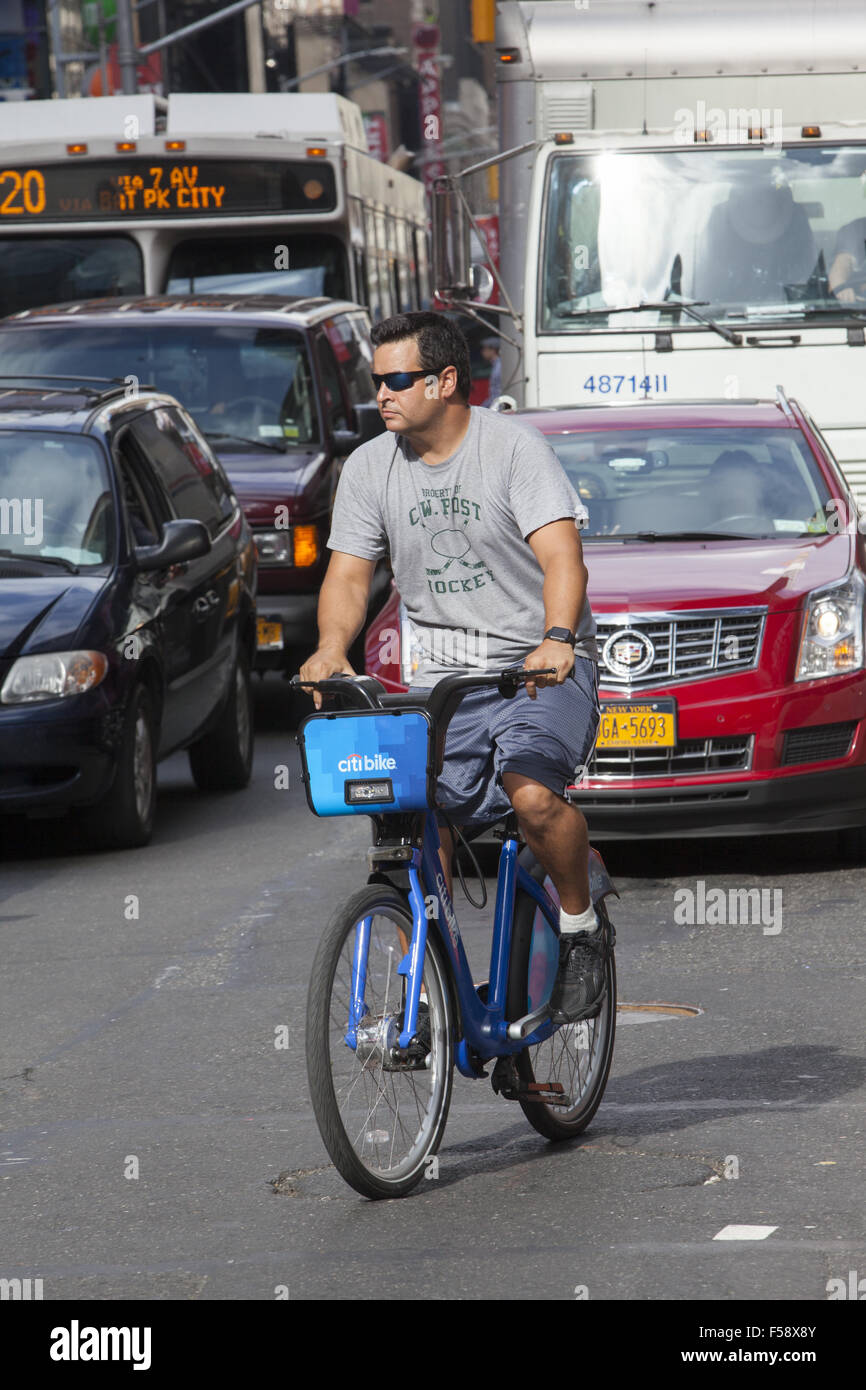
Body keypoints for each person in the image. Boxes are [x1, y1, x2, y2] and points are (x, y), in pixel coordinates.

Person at [299, 311, 609, 1024]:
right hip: (442, 680)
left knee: (531, 795)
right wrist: (330, 647)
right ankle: (425, 968)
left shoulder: (511, 452)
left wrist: (558, 636)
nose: (382, 394)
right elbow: (349, 577)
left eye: (398, 380)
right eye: (376, 381)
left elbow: (563, 556)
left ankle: (579, 923)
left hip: (538, 669)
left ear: (445, 382)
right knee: (408, 817)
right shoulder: (371, 468)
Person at [480, 337, 502, 406]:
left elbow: (497, 393)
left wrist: (484, 407)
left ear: (493, 350)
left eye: (485, 349)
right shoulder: (496, 365)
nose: (482, 352)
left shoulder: (499, 367)